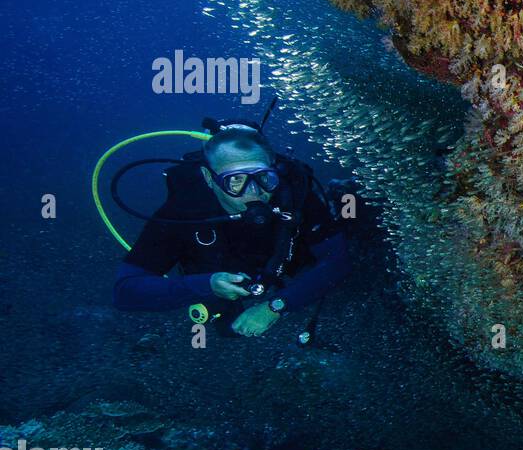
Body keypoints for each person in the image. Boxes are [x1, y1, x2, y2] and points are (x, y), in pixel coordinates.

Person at [112, 122, 350, 337]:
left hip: (289, 274)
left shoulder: (294, 194)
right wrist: (206, 284)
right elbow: (126, 291)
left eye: (264, 178)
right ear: (208, 177)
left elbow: (339, 259)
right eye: (235, 180)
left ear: (274, 169)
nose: (254, 192)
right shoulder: (183, 212)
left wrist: (276, 306)